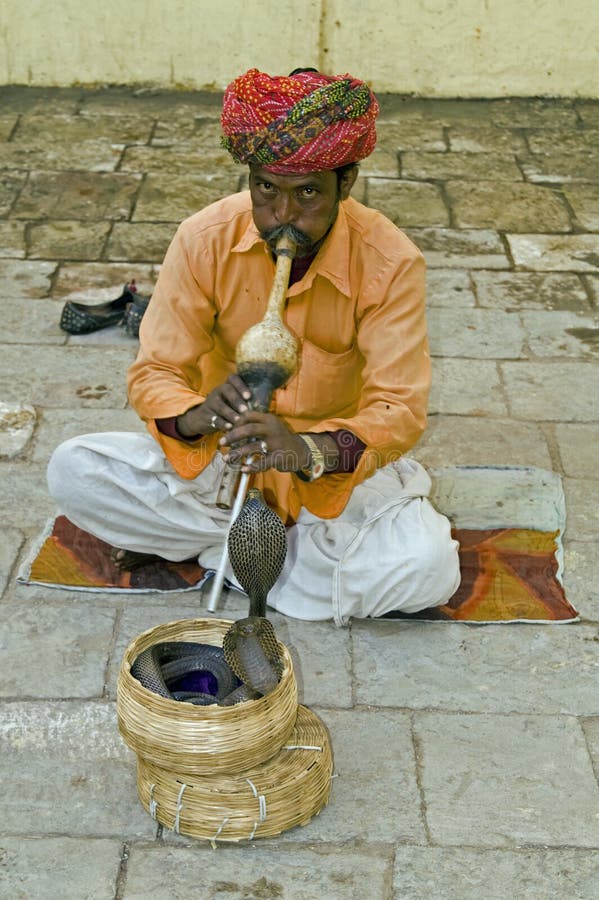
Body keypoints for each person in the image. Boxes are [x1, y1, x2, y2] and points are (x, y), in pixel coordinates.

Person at [47, 67, 460, 626]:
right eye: (266, 188)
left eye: (308, 192)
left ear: (348, 180)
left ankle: (222, 555)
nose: (283, 215)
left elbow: (399, 409)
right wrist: (196, 417)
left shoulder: (390, 262)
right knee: (74, 469)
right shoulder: (203, 238)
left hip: (326, 480)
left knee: (428, 567)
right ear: (250, 177)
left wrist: (307, 450)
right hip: (223, 464)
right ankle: (264, 561)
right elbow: (155, 373)